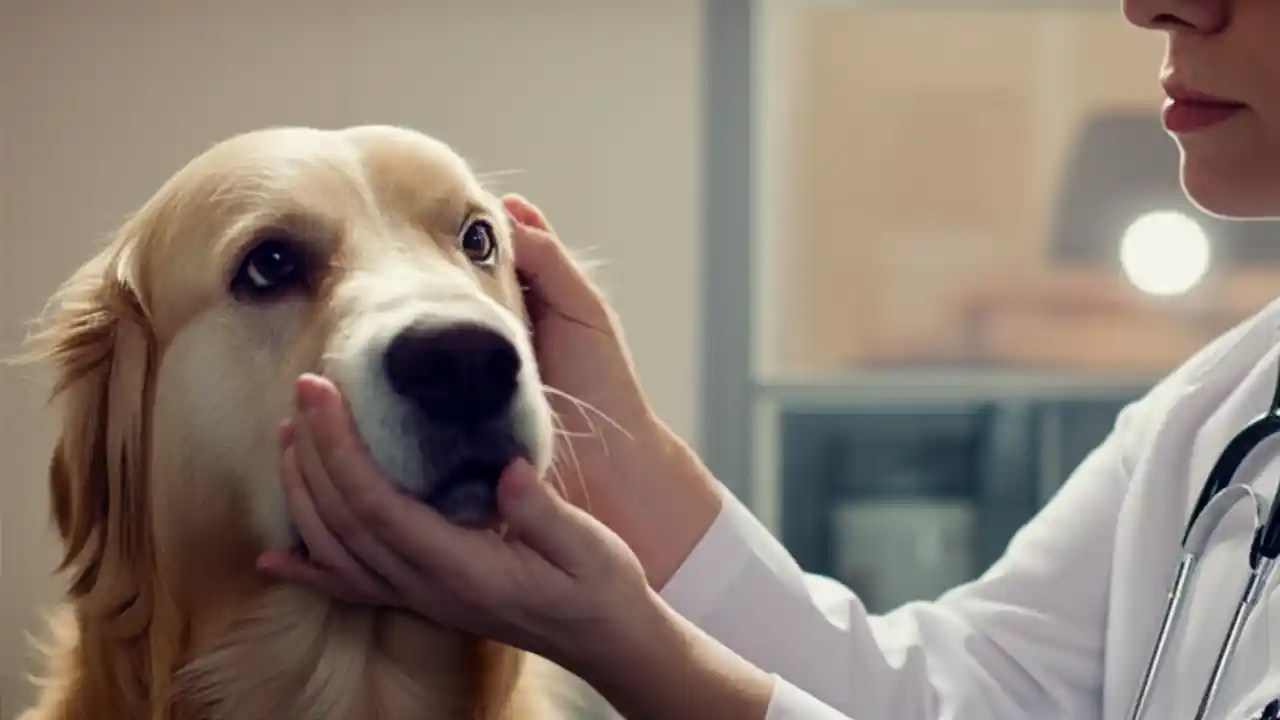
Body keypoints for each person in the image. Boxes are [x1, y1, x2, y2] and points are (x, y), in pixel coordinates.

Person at [255, 0, 1280, 717]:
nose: (1152, 4)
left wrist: (629, 650)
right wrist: (621, 459)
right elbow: (951, 701)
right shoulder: (1214, 414)